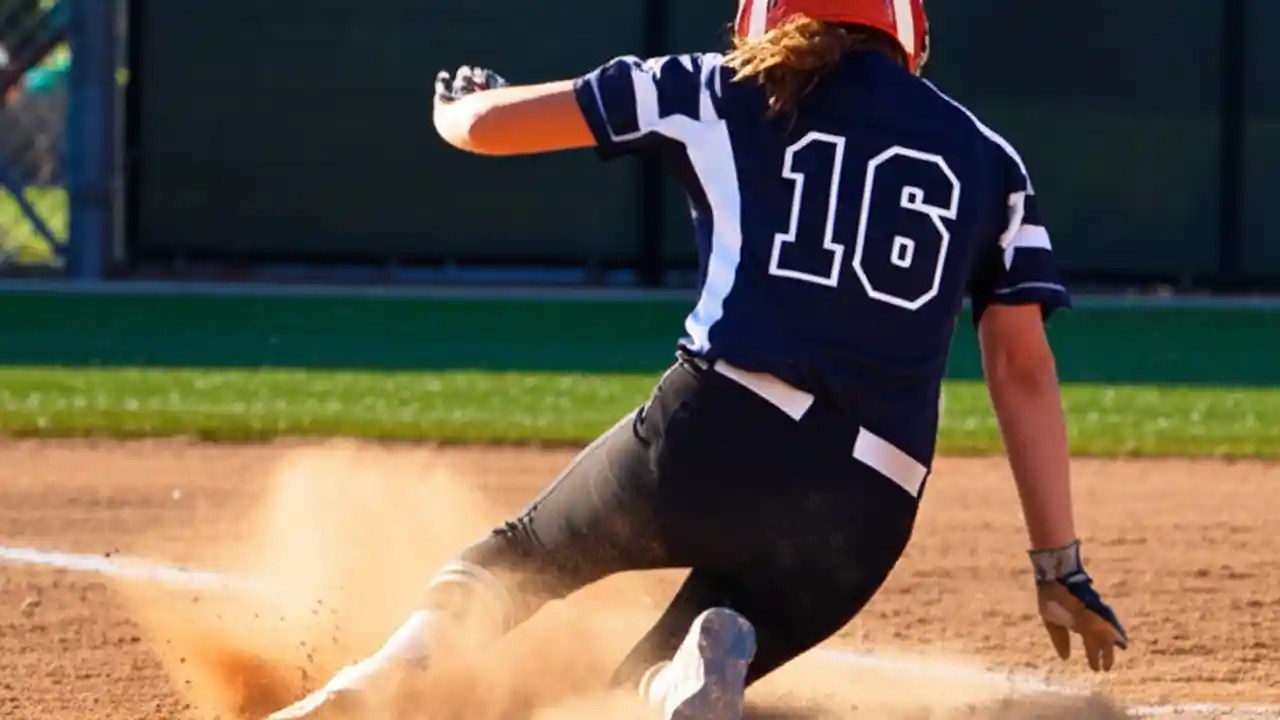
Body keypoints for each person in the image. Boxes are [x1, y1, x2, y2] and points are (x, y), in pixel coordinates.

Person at [268, 1, 1128, 718]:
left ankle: (377, 682)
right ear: (909, 33)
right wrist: (1061, 568)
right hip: (870, 508)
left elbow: (491, 129)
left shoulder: (719, 88)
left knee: (518, 559)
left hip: (718, 434)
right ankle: (665, 684)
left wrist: (458, 104)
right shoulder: (990, 159)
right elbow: (1022, 368)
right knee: (642, 686)